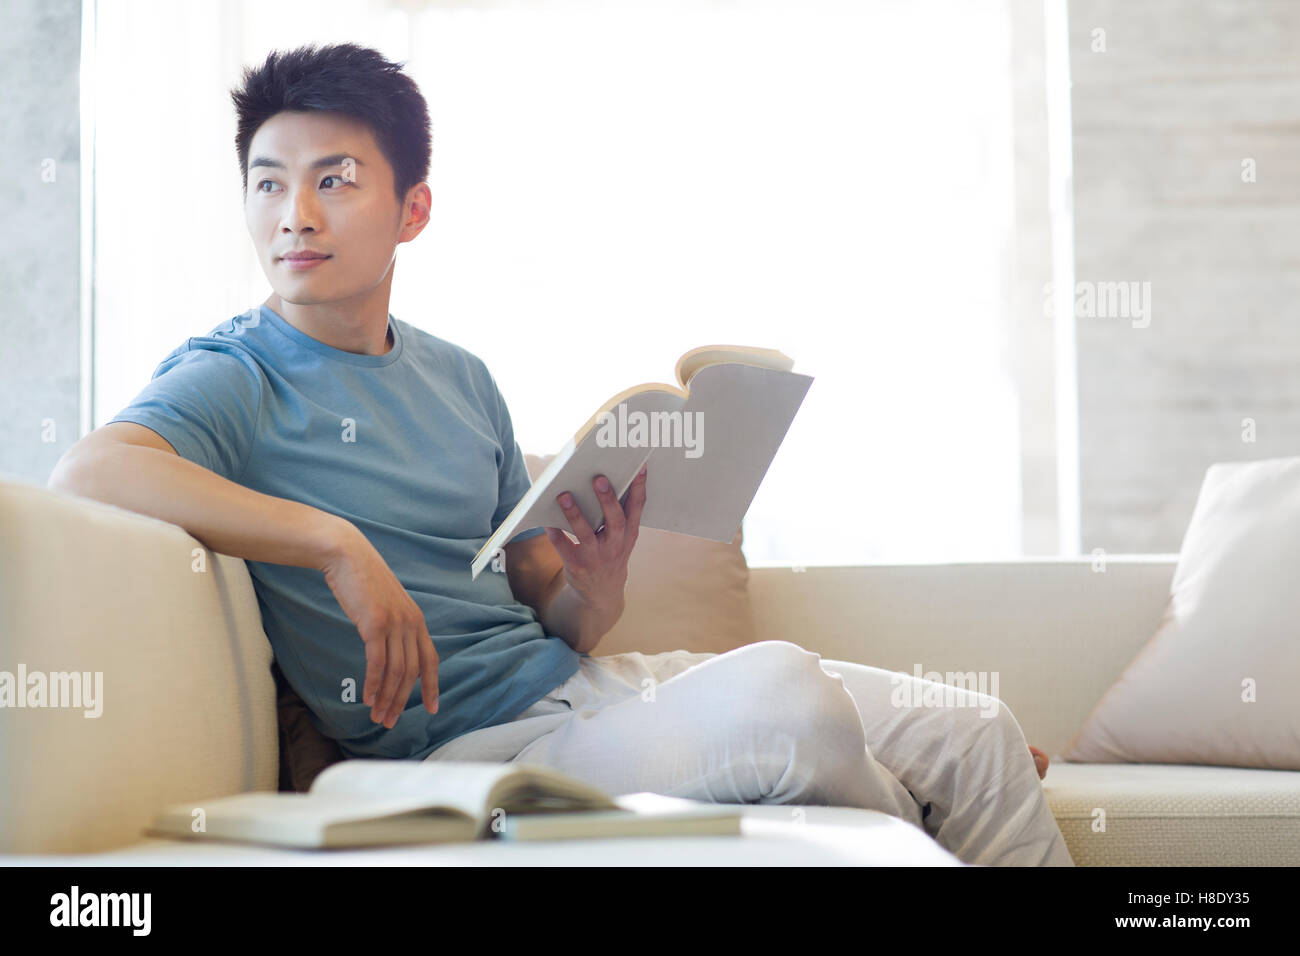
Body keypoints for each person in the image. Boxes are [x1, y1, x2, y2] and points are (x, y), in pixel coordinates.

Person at [48, 42, 1072, 867]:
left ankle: (900, 801)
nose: (294, 216)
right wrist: (333, 543)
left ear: (413, 208)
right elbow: (91, 469)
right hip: (472, 751)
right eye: (268, 184)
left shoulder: (460, 376)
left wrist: (595, 581)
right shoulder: (237, 371)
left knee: (974, 725)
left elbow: (552, 612)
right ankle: (907, 818)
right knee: (788, 698)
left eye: (334, 180)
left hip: (593, 689)